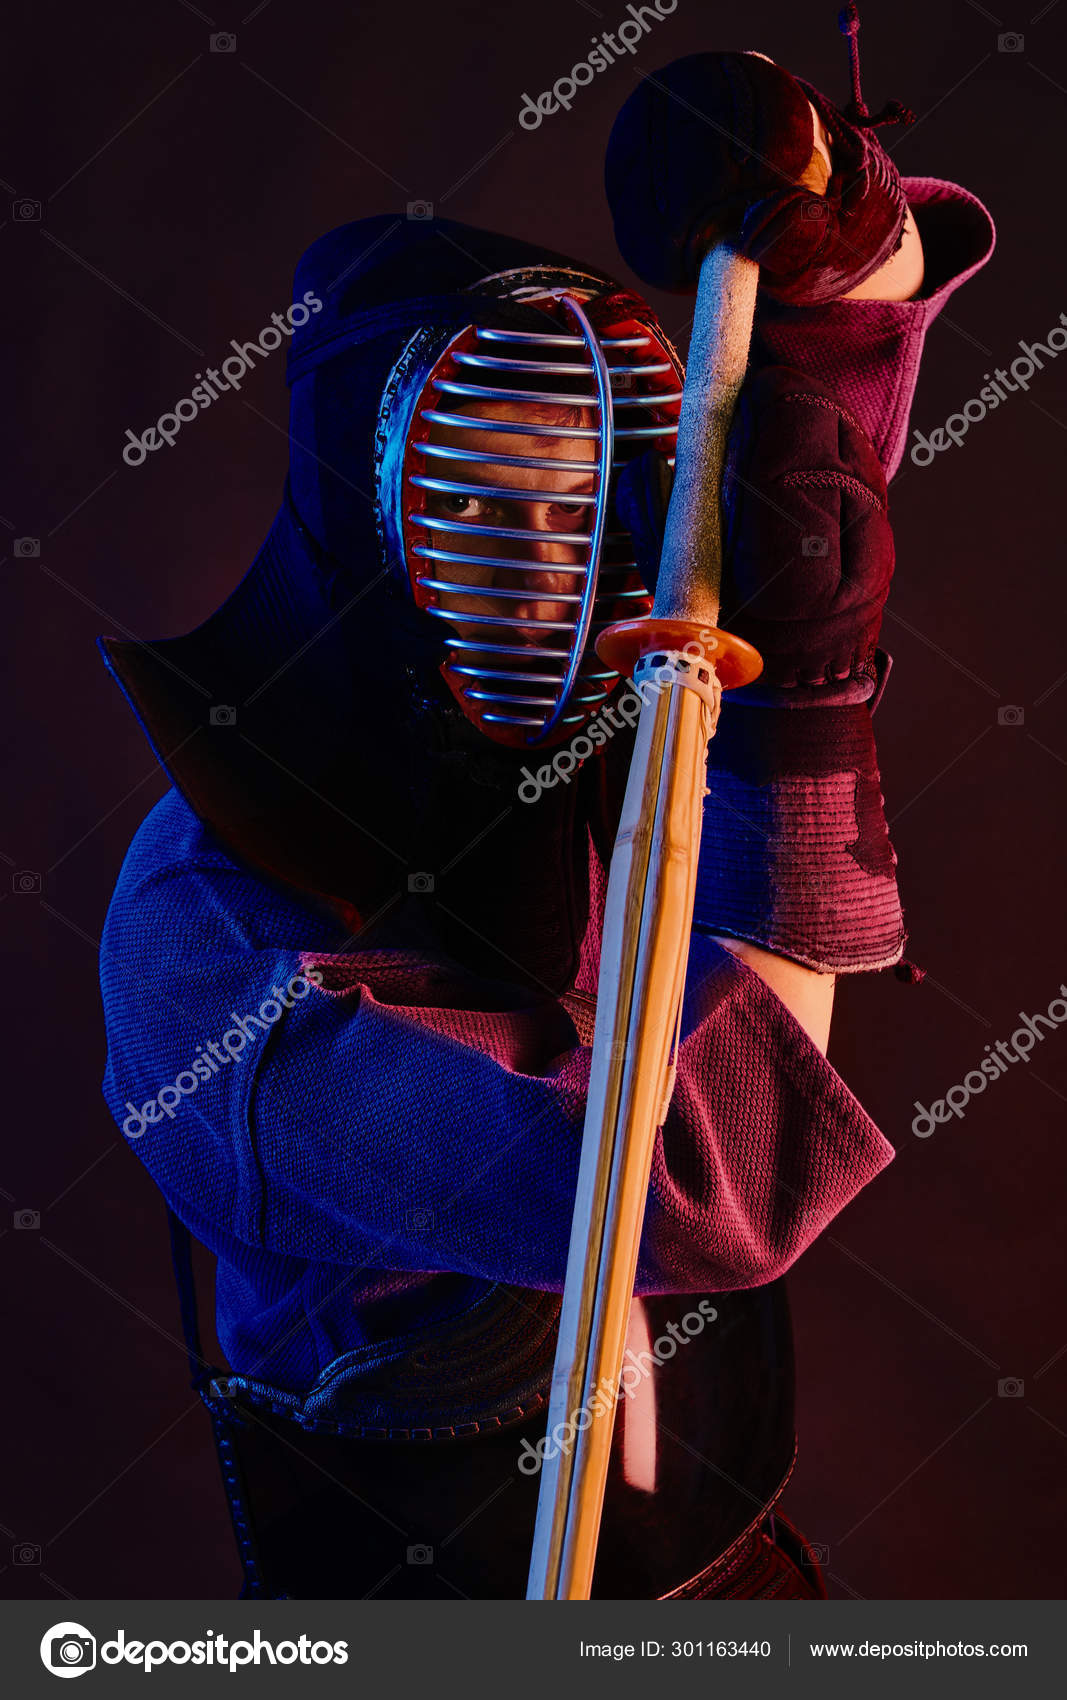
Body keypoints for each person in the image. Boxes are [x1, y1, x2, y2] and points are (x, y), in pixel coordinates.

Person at [98, 17, 994, 1599]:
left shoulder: (617, 724)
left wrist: (830, 221)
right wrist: (806, 726)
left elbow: (807, 486)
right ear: (375, 523)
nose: (557, 567)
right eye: (491, 505)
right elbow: (694, 1191)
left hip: (732, 1575)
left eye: (598, 498)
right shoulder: (210, 947)